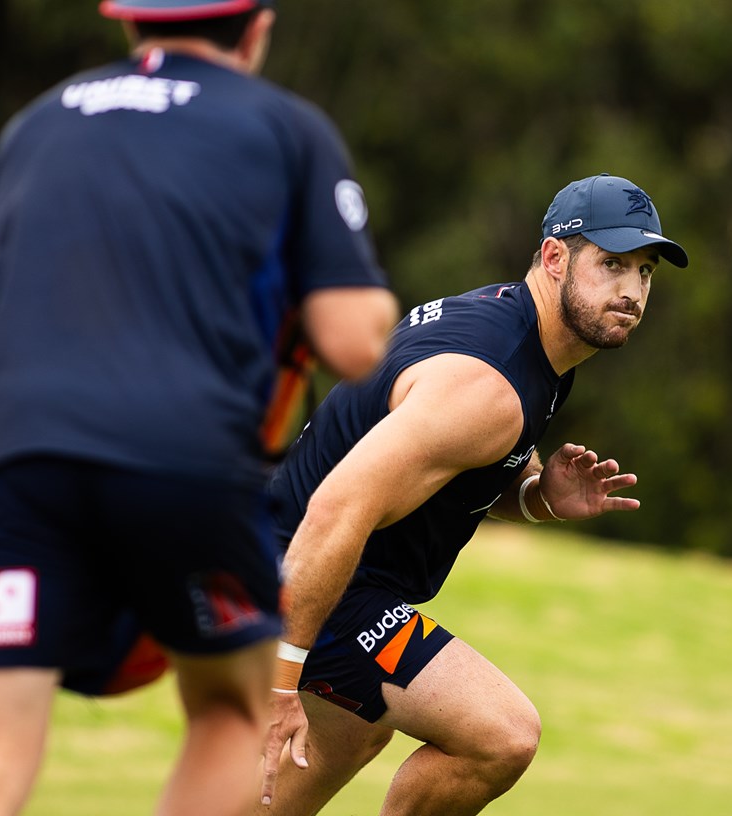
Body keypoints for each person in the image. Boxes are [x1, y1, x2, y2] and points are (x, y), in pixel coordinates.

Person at [0, 1, 398, 813]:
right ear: (256, 29)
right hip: (184, 464)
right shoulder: (288, 128)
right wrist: (370, 301)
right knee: (231, 715)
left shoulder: (36, 125)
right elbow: (351, 341)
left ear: (128, 23)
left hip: (13, 469)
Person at [259, 173, 689, 815]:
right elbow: (335, 509)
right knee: (501, 735)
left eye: (645, 272)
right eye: (612, 264)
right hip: (311, 577)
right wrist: (279, 679)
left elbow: (454, 466)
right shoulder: (488, 387)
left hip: (309, 565)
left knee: (344, 738)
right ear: (555, 257)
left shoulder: (525, 335)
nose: (631, 290)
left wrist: (538, 496)